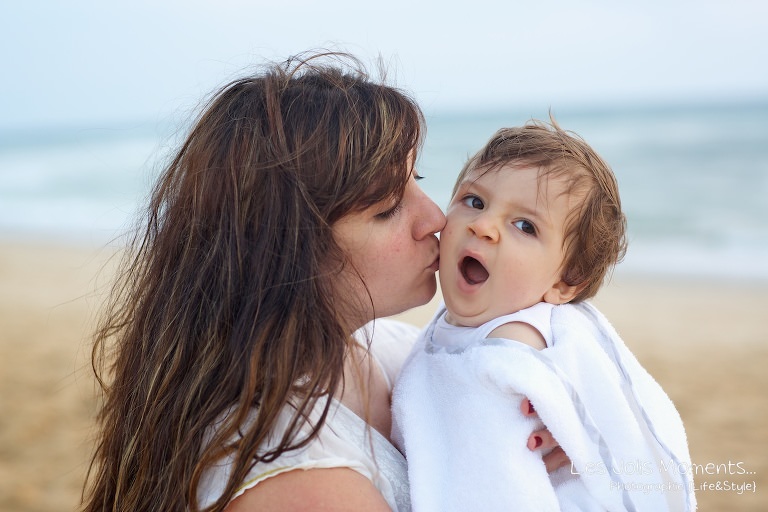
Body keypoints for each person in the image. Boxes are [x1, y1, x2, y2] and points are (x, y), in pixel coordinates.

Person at [80, 52, 565, 512]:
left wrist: (544, 436)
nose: (435, 218)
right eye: (386, 209)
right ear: (288, 251)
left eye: (415, 178)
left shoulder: (389, 351)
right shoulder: (298, 479)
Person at [392, 119, 696, 511]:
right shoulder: (473, 317)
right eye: (475, 201)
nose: (484, 226)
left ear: (564, 284)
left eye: (524, 225)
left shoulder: (509, 352)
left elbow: (496, 487)